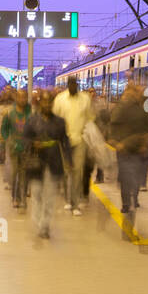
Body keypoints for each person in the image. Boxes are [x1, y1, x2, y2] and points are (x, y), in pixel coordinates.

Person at [23, 90, 68, 239]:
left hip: (53, 163)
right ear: (40, 103)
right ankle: (38, 222)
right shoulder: (32, 121)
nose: (47, 105)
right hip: (36, 164)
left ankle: (45, 226)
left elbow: (65, 142)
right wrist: (32, 144)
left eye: (50, 102)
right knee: (36, 194)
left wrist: (69, 161)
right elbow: (25, 139)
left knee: (49, 197)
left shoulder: (60, 122)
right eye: (44, 102)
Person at [52, 77, 93, 216]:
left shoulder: (85, 99)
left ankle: (75, 204)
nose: (73, 87)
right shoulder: (60, 99)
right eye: (70, 84)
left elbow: (89, 118)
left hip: (79, 140)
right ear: (67, 85)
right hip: (63, 142)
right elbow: (54, 118)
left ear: (77, 85)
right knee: (66, 172)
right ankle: (68, 200)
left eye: (75, 84)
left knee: (77, 172)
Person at [109, 82, 148, 214]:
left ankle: (128, 203)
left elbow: (145, 128)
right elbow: (146, 128)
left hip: (128, 148)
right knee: (130, 176)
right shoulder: (136, 109)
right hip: (130, 148)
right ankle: (130, 201)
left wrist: (116, 142)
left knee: (128, 176)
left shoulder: (135, 108)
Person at [2, 89, 33, 208]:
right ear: (16, 98)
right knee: (15, 172)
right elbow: (4, 129)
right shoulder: (10, 112)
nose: (22, 100)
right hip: (14, 147)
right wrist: (8, 140)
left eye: (24, 97)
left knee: (24, 173)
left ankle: (22, 197)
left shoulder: (31, 112)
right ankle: (14, 197)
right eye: (20, 97)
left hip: (27, 147)